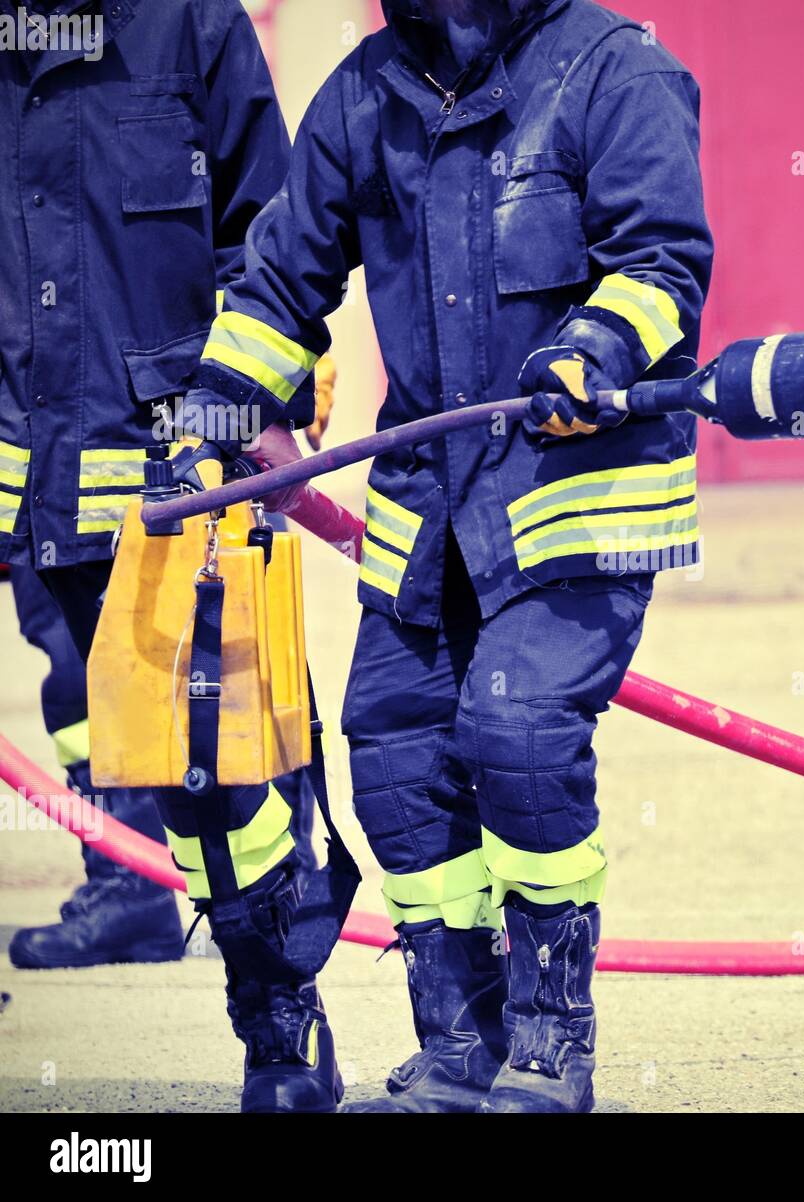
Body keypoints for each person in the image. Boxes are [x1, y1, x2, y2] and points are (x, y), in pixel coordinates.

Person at [178, 0, 713, 1113]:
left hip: (575, 498)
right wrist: (219, 409)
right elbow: (280, 281)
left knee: (514, 730)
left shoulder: (615, 71)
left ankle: (550, 1044)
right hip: (429, 504)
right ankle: (461, 1047)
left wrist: (594, 346)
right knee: (398, 749)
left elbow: (662, 261)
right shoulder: (362, 95)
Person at [0, 0, 343, 1111]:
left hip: (163, 482)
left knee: (216, 781)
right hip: (19, 468)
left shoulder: (190, 26)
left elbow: (277, 242)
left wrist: (241, 406)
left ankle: (278, 1025)